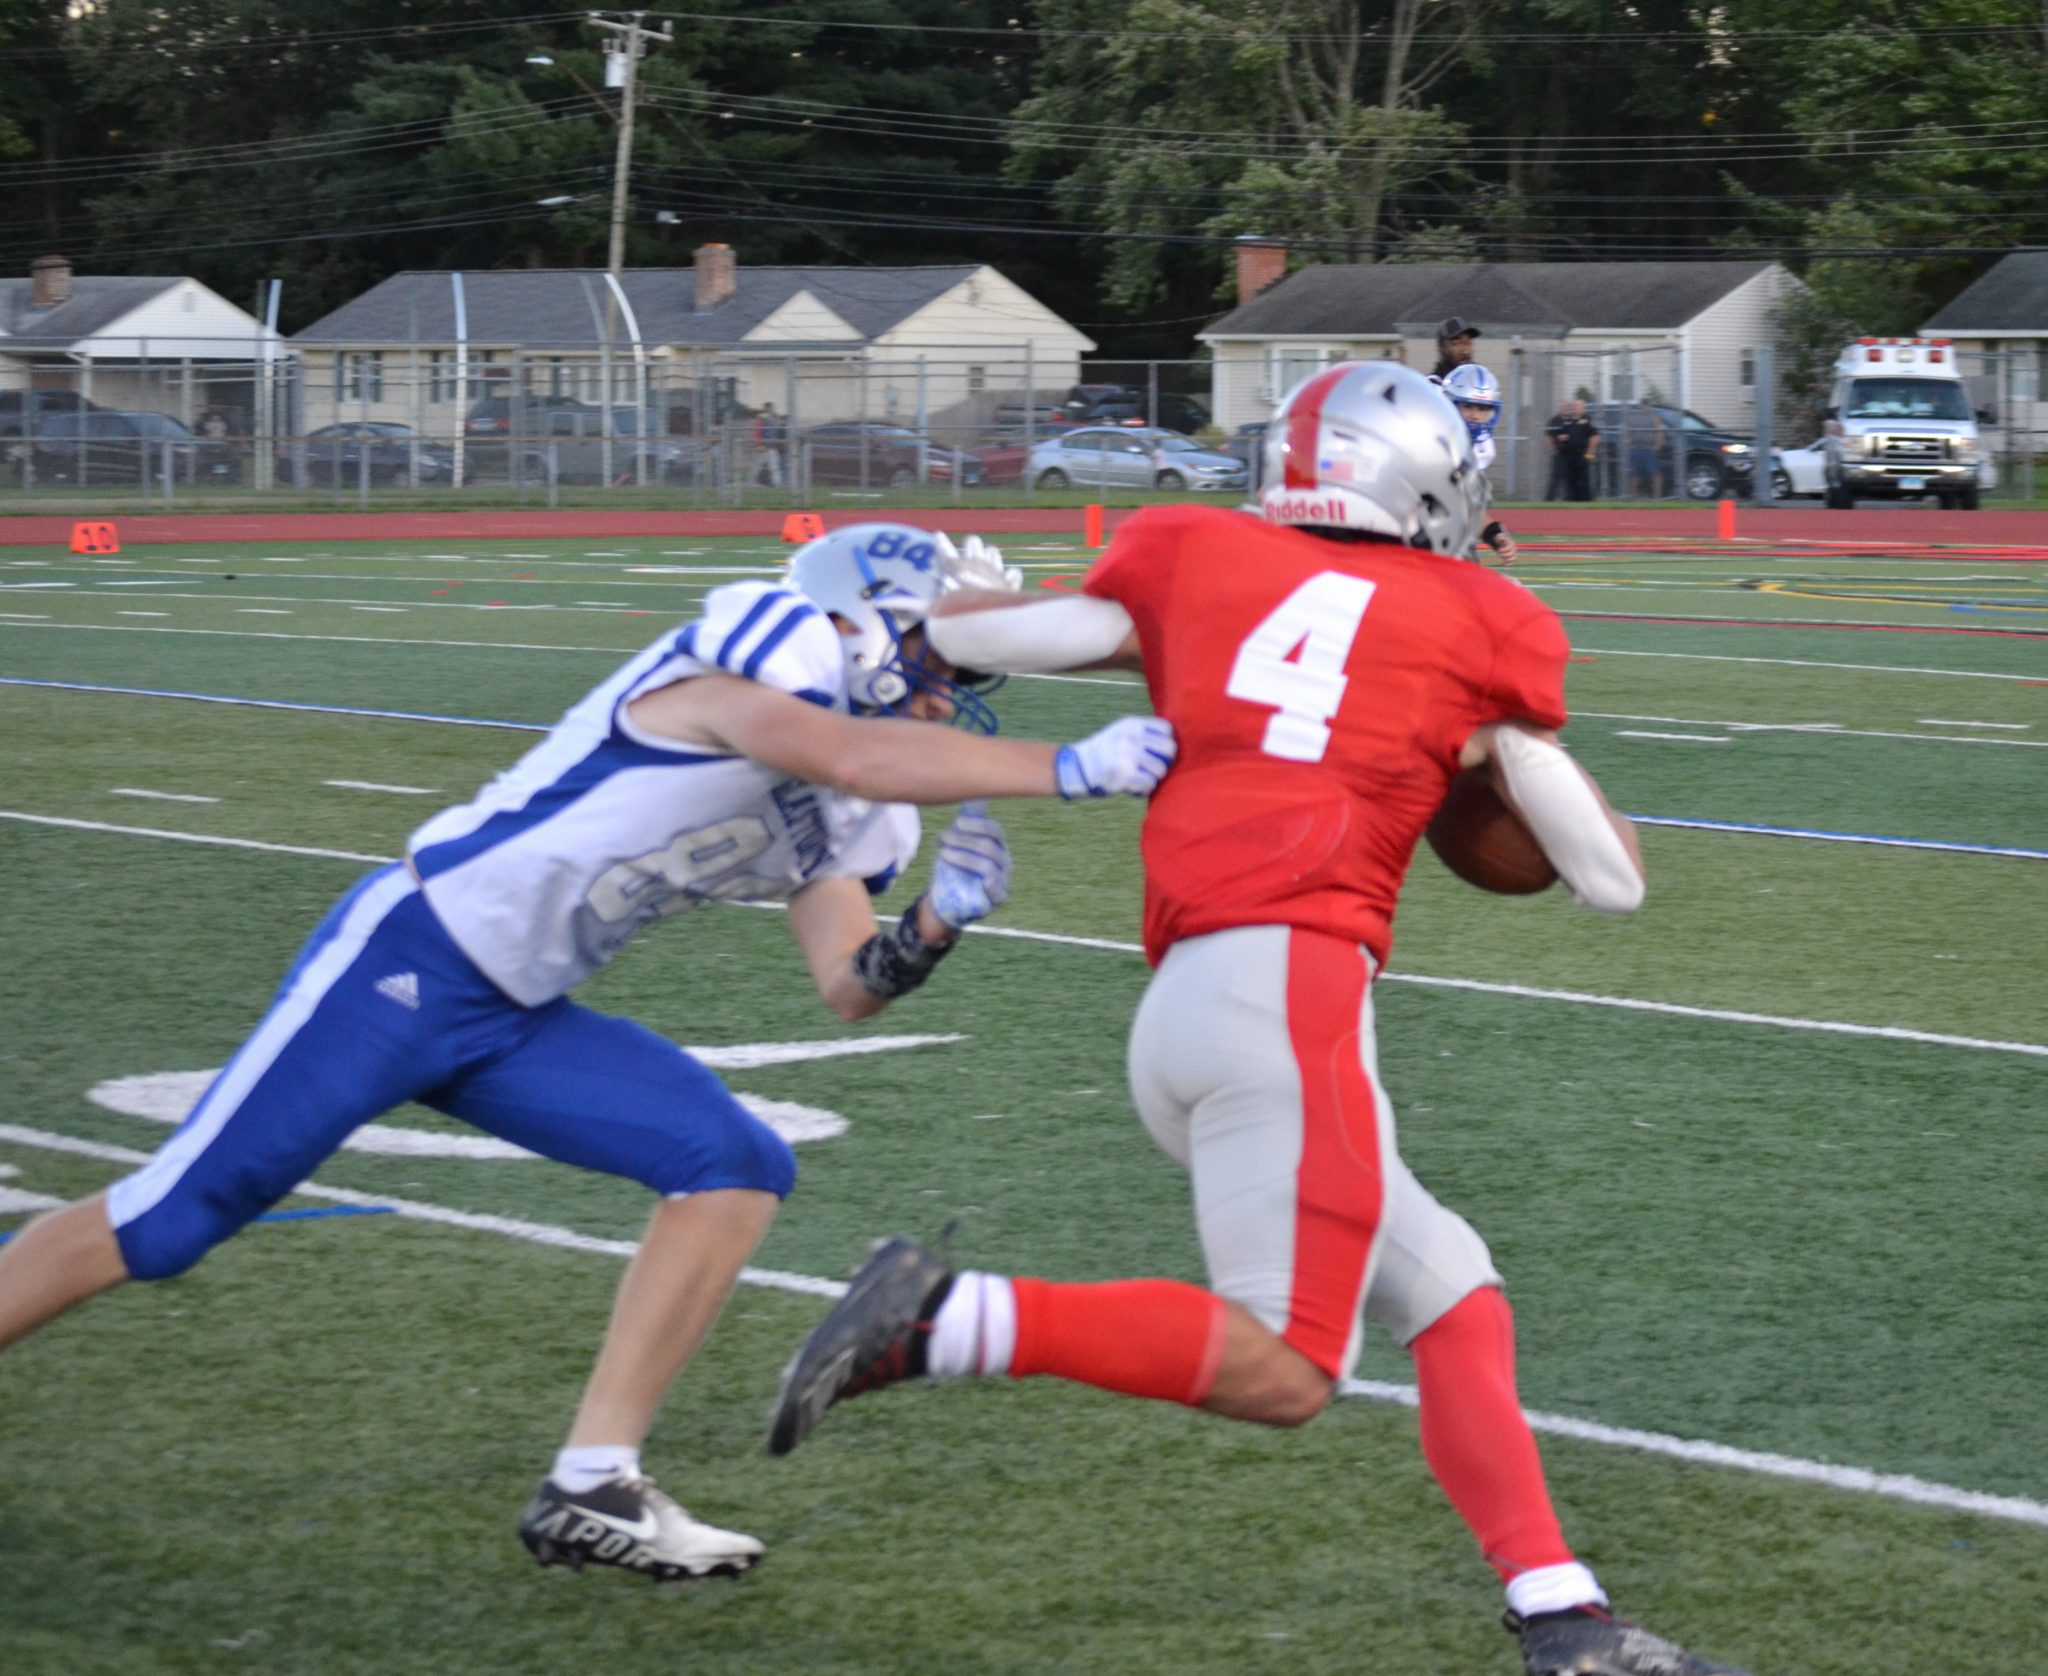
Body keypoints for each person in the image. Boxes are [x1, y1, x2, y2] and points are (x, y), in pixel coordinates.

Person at [766, 368, 1750, 1676]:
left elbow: (1019, 638)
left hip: (1181, 1013)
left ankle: (1561, 1616)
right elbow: (1613, 884)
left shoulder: (1189, 552)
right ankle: (943, 1319)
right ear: (1417, 479)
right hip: (1290, 1000)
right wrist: (1496, 743)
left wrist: (938, 615)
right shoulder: (1478, 612)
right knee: (1289, 1367)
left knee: (1455, 1292)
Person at [0, 523, 1175, 1584]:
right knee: (175, 1216)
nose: (939, 706)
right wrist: (1064, 766)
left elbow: (843, 983)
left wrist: (933, 924)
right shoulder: (763, 648)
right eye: (936, 671)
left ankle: (593, 1479)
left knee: (731, 1161)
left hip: (512, 1012)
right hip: (413, 959)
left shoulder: (862, 786)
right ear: (863, 621)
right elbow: (843, 753)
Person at [1440, 362, 1518, 563]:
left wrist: (1496, 535)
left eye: (1483, 408)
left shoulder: (1480, 451)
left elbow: (1470, 507)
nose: (1475, 415)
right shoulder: (1428, 438)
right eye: (1467, 406)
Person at [1557, 398, 1599, 501]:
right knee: (1570, 478)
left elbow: (1595, 437)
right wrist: (1561, 438)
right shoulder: (1569, 421)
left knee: (1584, 478)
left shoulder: (1587, 420)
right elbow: (1561, 434)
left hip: (1583, 454)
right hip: (1569, 455)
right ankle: (1572, 500)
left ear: (1583, 408)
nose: (1577, 408)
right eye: (1575, 406)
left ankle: (1586, 500)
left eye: (1579, 406)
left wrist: (1590, 452)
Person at [1625, 399, 1668, 499]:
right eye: (1643, 406)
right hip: (1636, 450)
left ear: (1649, 407)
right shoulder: (1634, 418)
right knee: (1635, 474)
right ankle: (1634, 498)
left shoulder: (1654, 418)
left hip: (1649, 450)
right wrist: (1630, 443)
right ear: (1640, 406)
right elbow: (1628, 431)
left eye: (1646, 406)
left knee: (1655, 474)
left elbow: (1661, 432)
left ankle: (1657, 498)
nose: (1645, 408)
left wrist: (1657, 446)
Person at [1541, 398, 1573, 501]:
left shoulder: (1571, 420)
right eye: (1563, 407)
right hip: (1558, 453)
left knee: (1569, 476)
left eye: (1567, 407)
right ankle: (1549, 498)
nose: (1565, 409)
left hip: (1570, 453)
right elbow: (1548, 436)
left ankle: (1568, 498)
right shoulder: (1554, 421)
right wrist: (1553, 449)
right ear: (1559, 408)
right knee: (1556, 476)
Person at [1432, 315, 1481, 381]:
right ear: (1442, 348)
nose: (1465, 352)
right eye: (1457, 344)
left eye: (1468, 343)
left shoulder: (1481, 380)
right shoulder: (1433, 385)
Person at [752, 401, 785, 487]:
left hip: (771, 447)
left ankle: (777, 484)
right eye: (767, 408)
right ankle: (754, 483)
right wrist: (759, 445)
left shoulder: (774, 418)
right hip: (763, 447)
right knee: (757, 467)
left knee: (774, 467)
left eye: (770, 408)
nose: (769, 410)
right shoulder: (762, 419)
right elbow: (758, 433)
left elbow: (776, 432)